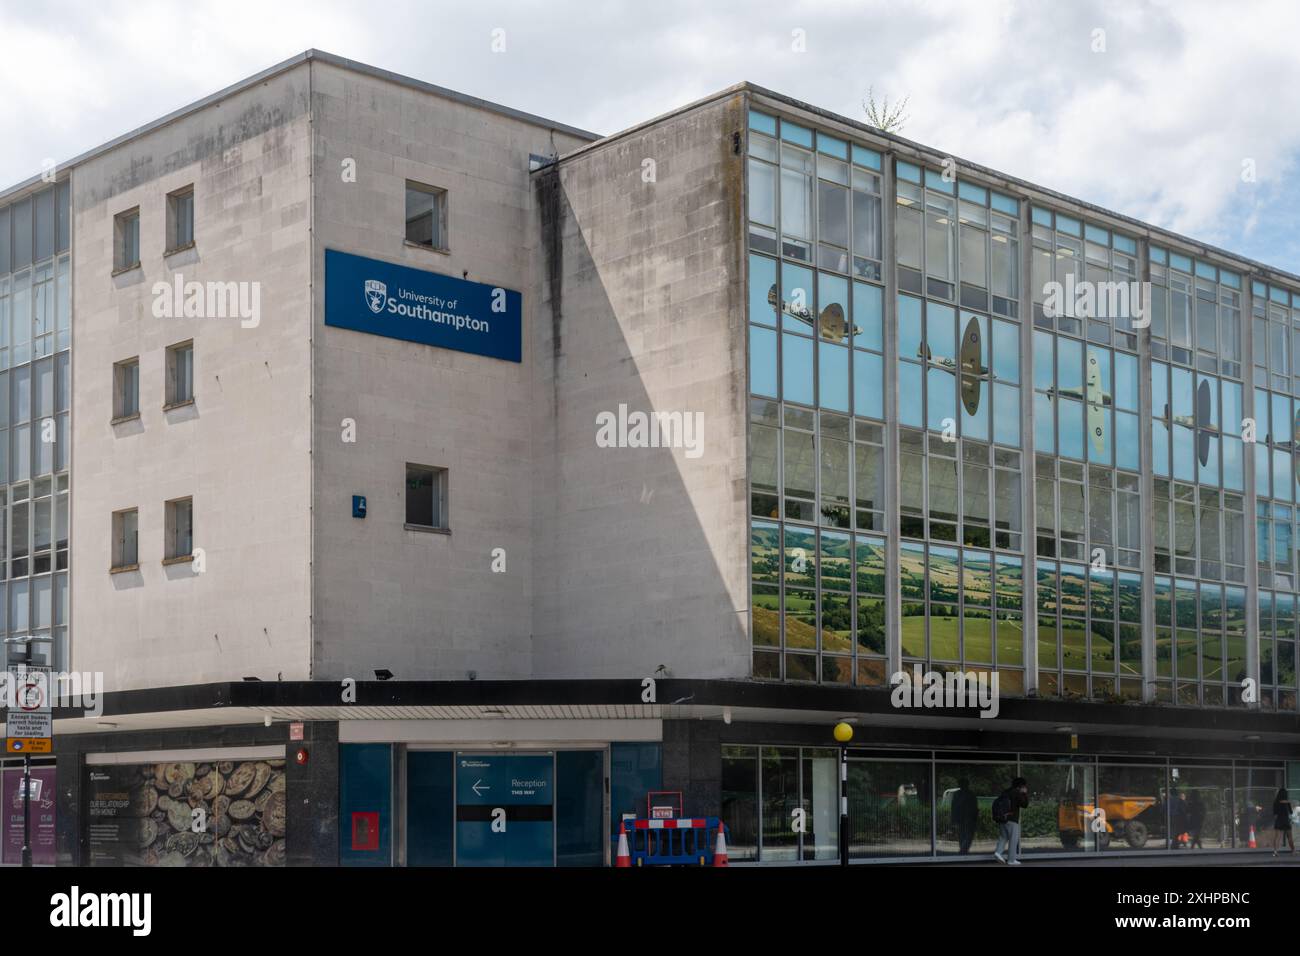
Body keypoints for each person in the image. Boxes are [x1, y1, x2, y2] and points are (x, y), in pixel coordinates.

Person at [993, 776, 1029, 865]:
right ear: (1021, 786)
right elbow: (1024, 805)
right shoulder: (1017, 793)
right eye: (1024, 786)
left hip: (1002, 818)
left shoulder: (1006, 792)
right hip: (1012, 819)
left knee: (1004, 837)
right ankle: (1011, 860)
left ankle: (998, 852)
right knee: (1013, 839)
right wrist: (1024, 794)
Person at [951, 778, 978, 855]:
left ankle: (963, 850)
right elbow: (975, 807)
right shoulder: (970, 794)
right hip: (968, 818)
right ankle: (963, 851)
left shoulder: (957, 794)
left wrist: (953, 818)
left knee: (963, 835)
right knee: (967, 835)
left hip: (963, 818)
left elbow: (954, 807)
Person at [1272, 788, 1295, 857]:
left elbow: (1275, 813)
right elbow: (1291, 812)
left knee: (1277, 837)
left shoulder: (1275, 802)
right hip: (1286, 820)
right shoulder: (1287, 802)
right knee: (1289, 837)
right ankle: (1293, 851)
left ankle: (1275, 852)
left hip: (1279, 820)